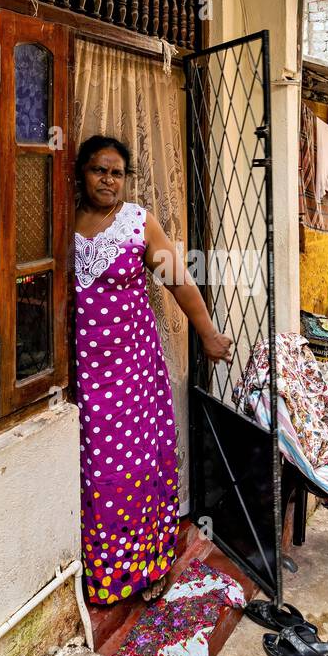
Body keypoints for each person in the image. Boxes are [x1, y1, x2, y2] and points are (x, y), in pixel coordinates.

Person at [73, 135, 232, 605]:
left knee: (132, 468)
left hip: (131, 373)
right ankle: (99, 569)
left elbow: (179, 282)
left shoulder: (139, 224)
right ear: (82, 173)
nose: (108, 180)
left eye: (117, 172)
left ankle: (146, 566)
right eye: (100, 170)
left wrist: (206, 332)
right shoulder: (62, 222)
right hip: (82, 373)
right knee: (91, 471)